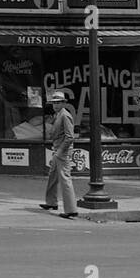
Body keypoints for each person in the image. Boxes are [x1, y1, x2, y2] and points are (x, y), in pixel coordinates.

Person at [39, 88, 79, 218]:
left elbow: (69, 137)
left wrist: (60, 151)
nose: (55, 105)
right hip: (57, 150)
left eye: (58, 102)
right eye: (54, 103)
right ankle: (51, 202)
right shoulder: (58, 115)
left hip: (62, 151)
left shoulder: (65, 115)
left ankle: (71, 209)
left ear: (63, 103)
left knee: (65, 179)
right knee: (53, 176)